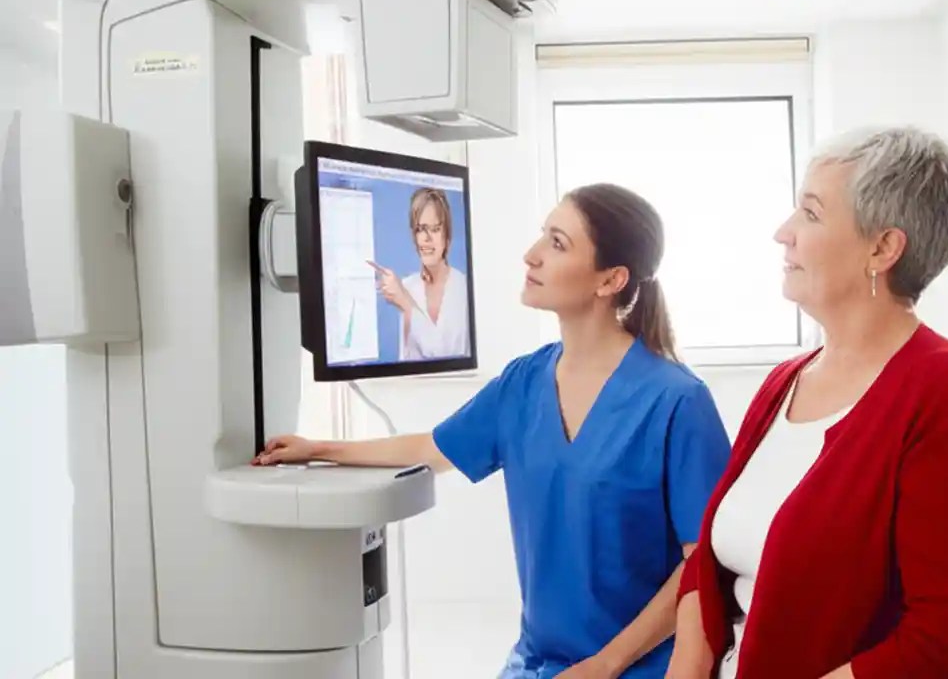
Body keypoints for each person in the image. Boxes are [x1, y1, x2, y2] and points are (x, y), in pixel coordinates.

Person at [258, 183, 732, 679]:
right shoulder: (522, 383)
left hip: (639, 666)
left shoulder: (677, 400)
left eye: (557, 243)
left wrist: (606, 664)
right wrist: (318, 448)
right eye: (541, 237)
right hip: (539, 664)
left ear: (610, 279)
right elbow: (431, 447)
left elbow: (702, 565)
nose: (531, 256)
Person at [667, 127, 948, 679]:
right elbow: (709, 573)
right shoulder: (785, 381)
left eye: (809, 214)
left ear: (882, 248)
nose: (783, 233)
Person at [368, 187, 471, 360]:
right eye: (420, 229)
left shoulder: (464, 288)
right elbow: (408, 362)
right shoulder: (408, 286)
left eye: (435, 229)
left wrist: (406, 304)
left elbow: (441, 356)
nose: (426, 238)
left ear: (447, 236)